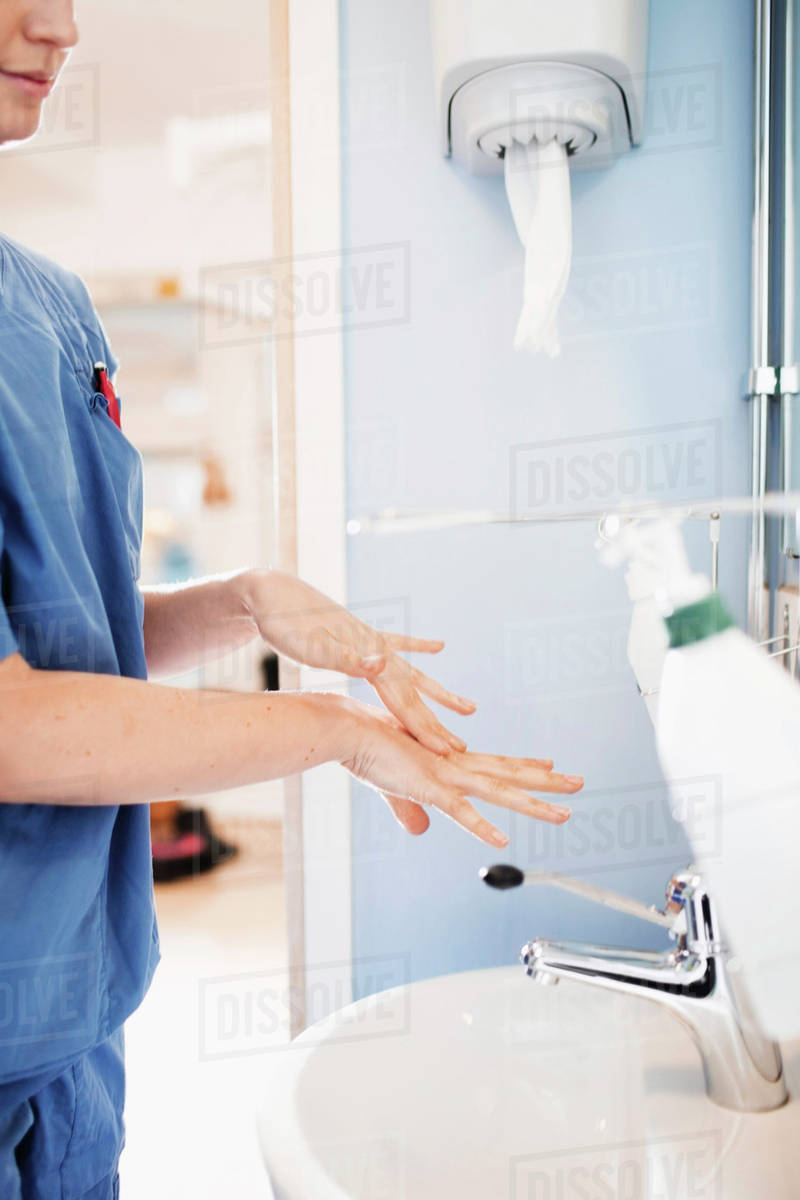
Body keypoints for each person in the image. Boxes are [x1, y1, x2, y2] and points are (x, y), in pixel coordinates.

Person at [0, 3, 584, 1196]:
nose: (60, 25)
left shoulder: (47, 305)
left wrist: (242, 603)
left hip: (71, 1023)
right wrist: (332, 732)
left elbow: (68, 637)